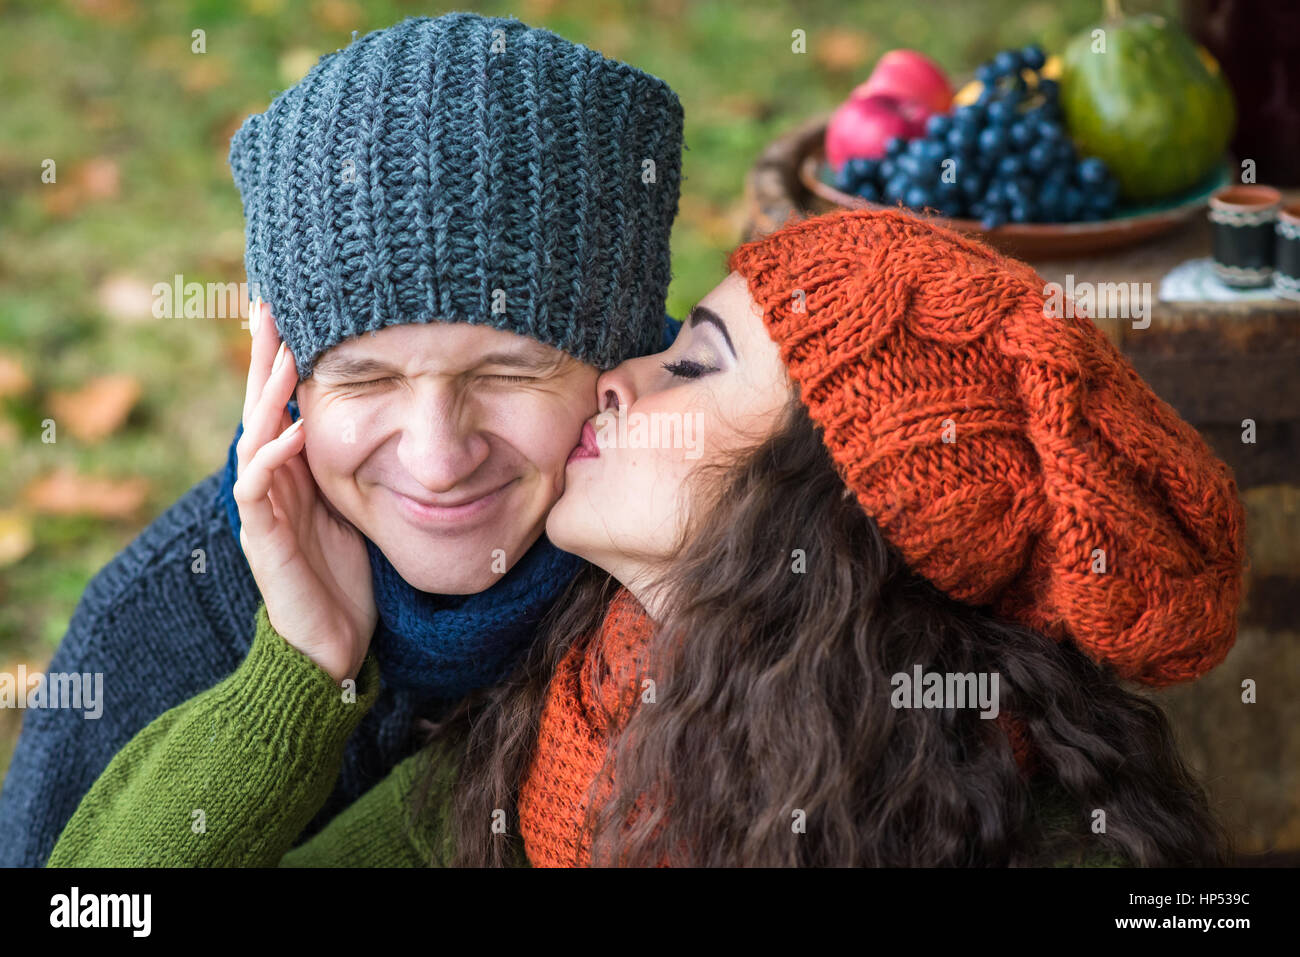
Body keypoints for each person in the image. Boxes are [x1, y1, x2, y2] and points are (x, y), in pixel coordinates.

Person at [49, 208, 1246, 867]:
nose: (617, 379)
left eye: (692, 365)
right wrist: (297, 676)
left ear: (826, 510)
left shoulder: (1023, 833)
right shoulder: (575, 716)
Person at [1, 13, 684, 866]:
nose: (437, 458)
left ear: (621, 364)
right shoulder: (151, 626)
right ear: (286, 387)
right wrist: (291, 681)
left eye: (509, 373)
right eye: (365, 379)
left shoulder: (707, 574)